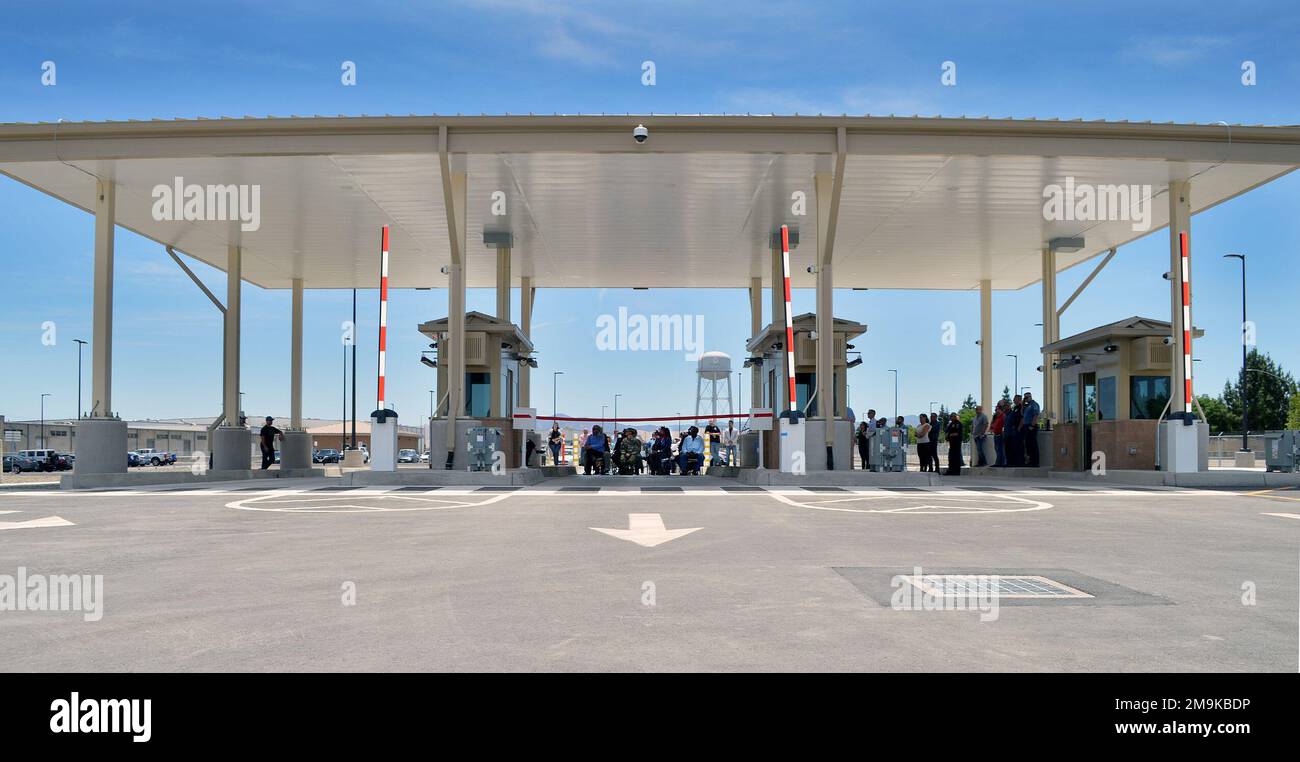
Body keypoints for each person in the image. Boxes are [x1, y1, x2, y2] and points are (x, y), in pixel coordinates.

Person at [1022, 392, 1042, 467]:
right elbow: (1022, 413)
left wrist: (1032, 425)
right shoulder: (1027, 406)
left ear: (1030, 397)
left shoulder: (1034, 404)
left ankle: (1035, 462)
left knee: (1033, 445)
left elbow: (1036, 415)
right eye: (1025, 398)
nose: (1026, 399)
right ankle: (1031, 461)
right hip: (1026, 426)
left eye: (1027, 398)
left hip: (1031, 426)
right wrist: (1023, 403)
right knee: (1028, 445)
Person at [1005, 395, 1023, 467]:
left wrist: (1019, 427)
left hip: (1018, 430)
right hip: (1012, 430)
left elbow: (1022, 418)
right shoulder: (1015, 408)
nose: (1013, 400)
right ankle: (1011, 462)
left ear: (1019, 399)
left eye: (1014, 399)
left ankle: (1019, 462)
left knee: (1018, 446)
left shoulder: (1021, 407)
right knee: (1012, 447)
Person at [991, 400, 1007, 467]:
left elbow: (1004, 425)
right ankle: (998, 462)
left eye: (997, 409)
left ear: (1000, 410)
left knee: (1002, 449)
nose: (996, 411)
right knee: (997, 449)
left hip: (1001, 434)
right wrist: (992, 429)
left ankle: (1003, 462)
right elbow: (992, 424)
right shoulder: (996, 417)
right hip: (996, 435)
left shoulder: (1003, 416)